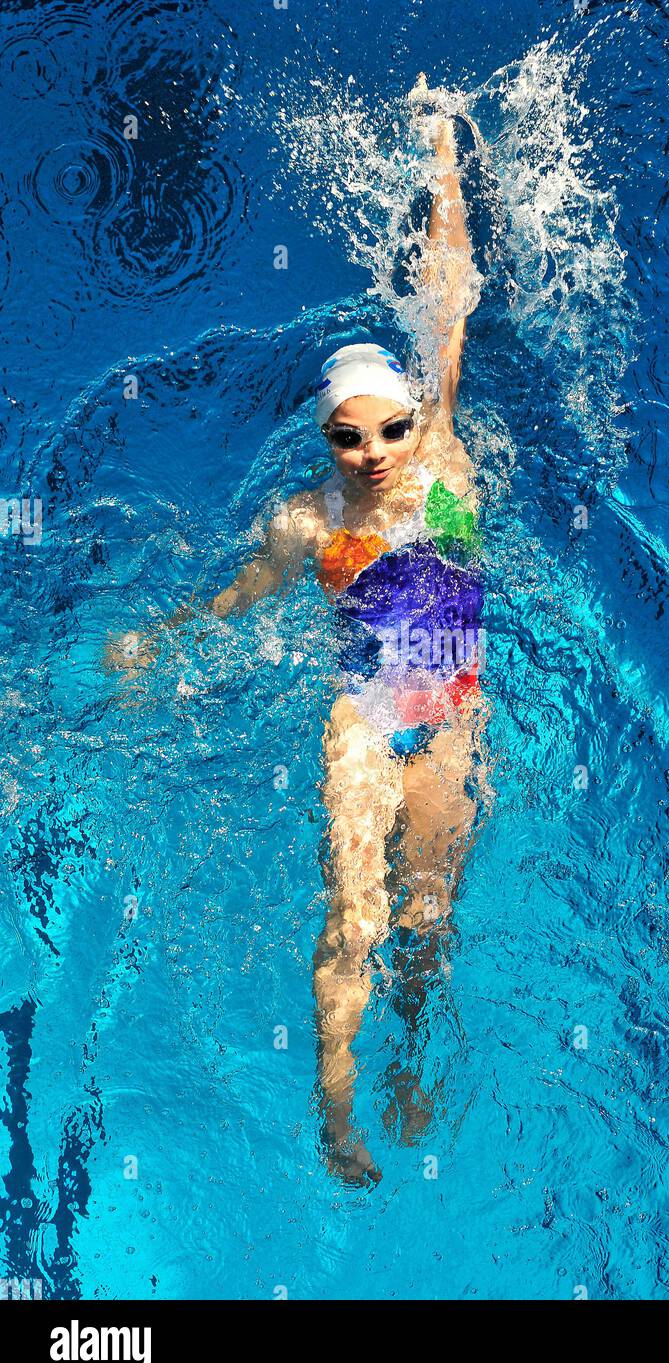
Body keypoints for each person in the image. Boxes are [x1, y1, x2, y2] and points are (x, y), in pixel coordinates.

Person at [107, 82, 490, 1187]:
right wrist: (159, 640)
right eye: (347, 433)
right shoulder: (305, 519)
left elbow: (448, 298)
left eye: (388, 427)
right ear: (322, 434)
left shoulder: (443, 464)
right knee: (354, 914)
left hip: (454, 719)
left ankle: (410, 1067)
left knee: (428, 923)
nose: (372, 449)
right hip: (365, 722)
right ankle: (333, 1107)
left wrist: (441, 157)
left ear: (413, 420)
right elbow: (236, 601)